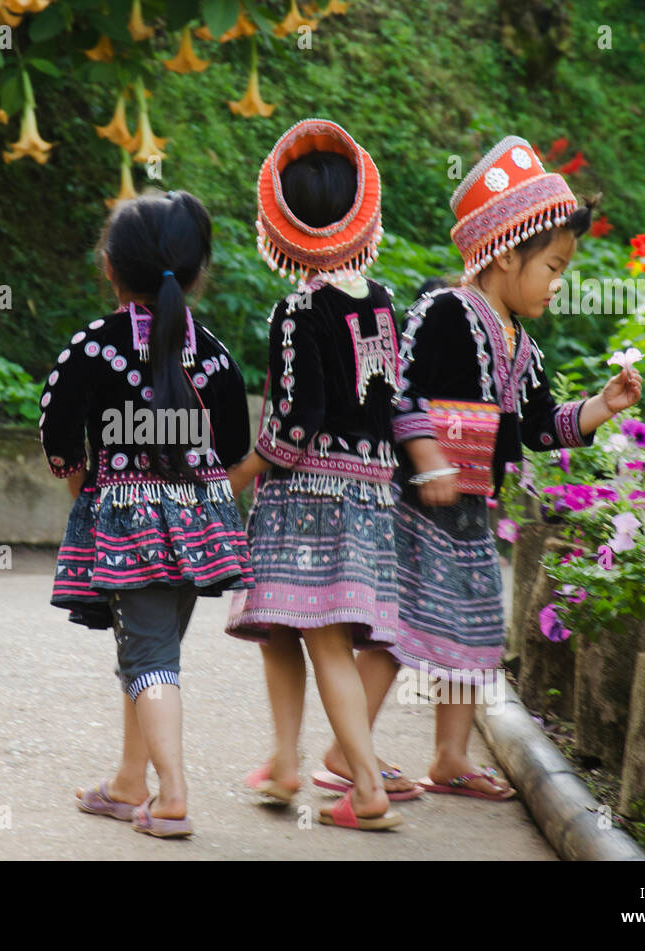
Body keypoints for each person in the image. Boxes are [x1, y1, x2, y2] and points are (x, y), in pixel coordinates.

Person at [314, 135, 644, 801]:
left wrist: (602, 406)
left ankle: (450, 755)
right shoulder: (444, 312)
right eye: (552, 266)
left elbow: (542, 425)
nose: (559, 282)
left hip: (471, 513)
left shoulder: (522, 343)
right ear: (505, 250)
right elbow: (398, 394)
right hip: (418, 506)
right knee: (398, 630)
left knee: (476, 630)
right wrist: (429, 457)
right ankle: (345, 751)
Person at [39, 187, 255, 838]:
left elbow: (56, 434)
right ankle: (129, 781)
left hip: (128, 525)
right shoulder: (214, 355)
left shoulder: (93, 347)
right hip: (200, 529)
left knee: (148, 658)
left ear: (109, 265)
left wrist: (82, 484)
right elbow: (235, 449)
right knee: (149, 650)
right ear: (199, 272)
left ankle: (173, 797)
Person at [225, 118, 405, 831]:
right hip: (368, 495)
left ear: (286, 222)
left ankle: (365, 786)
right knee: (281, 627)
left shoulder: (299, 310)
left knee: (318, 635)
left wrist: (243, 470)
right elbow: (383, 402)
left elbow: (298, 420)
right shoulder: (383, 300)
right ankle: (283, 760)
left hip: (306, 497)